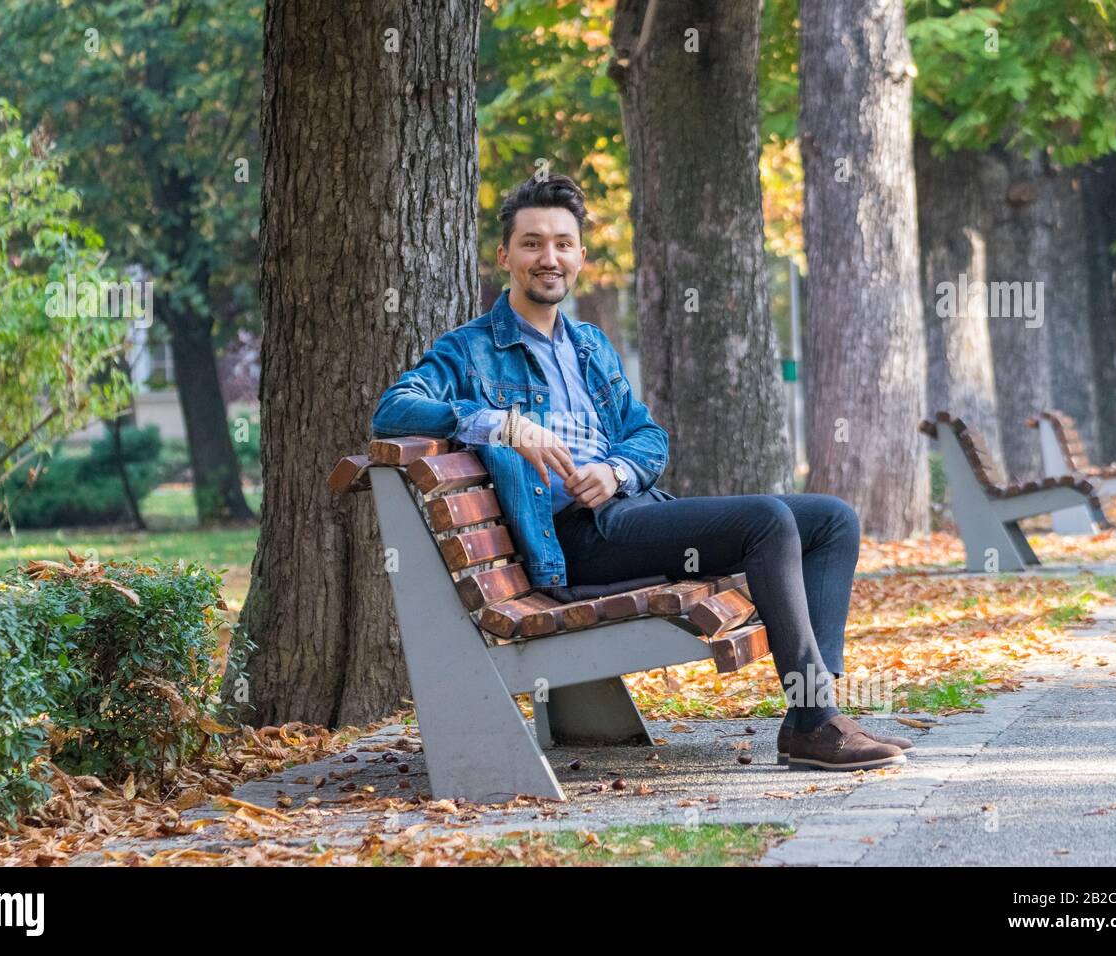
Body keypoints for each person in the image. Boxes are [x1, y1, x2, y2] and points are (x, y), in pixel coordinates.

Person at [372, 174, 912, 770]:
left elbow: (648, 436)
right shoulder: (470, 349)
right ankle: (814, 723)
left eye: (561, 243)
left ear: (580, 256)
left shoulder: (590, 345)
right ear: (505, 256)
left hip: (629, 510)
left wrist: (618, 471)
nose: (547, 258)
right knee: (766, 521)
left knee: (832, 520)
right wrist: (501, 423)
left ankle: (817, 708)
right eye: (530, 244)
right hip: (573, 538)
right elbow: (392, 410)